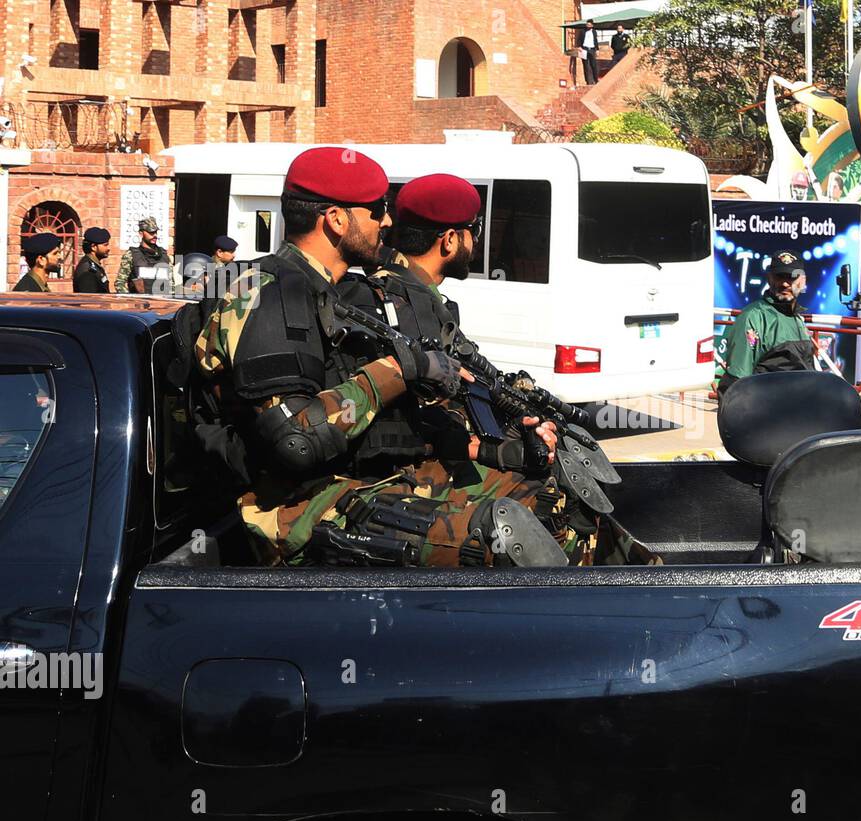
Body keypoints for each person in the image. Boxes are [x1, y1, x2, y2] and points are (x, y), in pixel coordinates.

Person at [194, 146, 566, 569]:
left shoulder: (327, 294)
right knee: (502, 546)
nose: (387, 222)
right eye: (376, 210)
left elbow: (379, 424)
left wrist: (495, 450)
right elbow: (296, 442)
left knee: (546, 502)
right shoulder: (268, 293)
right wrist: (402, 369)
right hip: (289, 507)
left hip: (351, 479)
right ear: (336, 219)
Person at [341, 173, 658, 566]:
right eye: (472, 232)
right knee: (552, 509)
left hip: (424, 455)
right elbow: (417, 414)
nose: (475, 243)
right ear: (450, 240)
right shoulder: (391, 303)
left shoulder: (414, 298)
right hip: (394, 472)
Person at [716, 249, 815, 397]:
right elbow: (736, 384)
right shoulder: (753, 317)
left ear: (803, 281)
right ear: (769, 278)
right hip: (767, 412)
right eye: (779, 276)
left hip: (800, 412)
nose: (785, 283)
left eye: (791, 277)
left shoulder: (798, 319)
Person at [115, 216, 172, 294]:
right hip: (139, 304)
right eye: (150, 232)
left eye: (155, 232)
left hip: (161, 303)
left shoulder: (163, 255)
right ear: (141, 233)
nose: (154, 235)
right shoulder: (131, 255)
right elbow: (120, 283)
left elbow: (171, 284)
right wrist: (131, 299)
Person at [73, 227, 113, 293]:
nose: (108, 248)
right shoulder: (88, 272)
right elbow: (89, 300)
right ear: (93, 247)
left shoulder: (94, 265)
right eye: (105, 245)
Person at [579, 19, 598, 84]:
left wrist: (597, 49)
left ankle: (596, 80)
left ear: (592, 25)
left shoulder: (594, 32)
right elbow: (579, 39)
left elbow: (595, 40)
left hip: (592, 49)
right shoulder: (582, 31)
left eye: (589, 25)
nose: (588, 26)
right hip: (584, 49)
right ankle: (588, 81)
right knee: (586, 66)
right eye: (587, 24)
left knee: (594, 65)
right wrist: (579, 47)